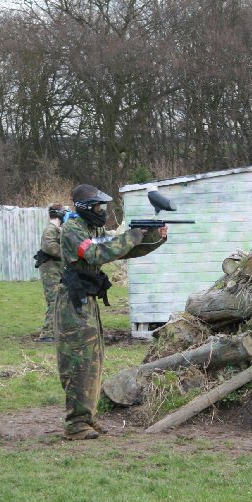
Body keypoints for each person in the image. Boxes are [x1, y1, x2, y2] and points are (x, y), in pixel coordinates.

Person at [55, 184, 168, 440]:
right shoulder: (73, 229)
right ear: (85, 207)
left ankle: (86, 417)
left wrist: (154, 238)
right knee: (79, 362)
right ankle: (75, 424)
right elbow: (97, 254)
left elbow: (120, 249)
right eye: (97, 206)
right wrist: (134, 234)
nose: (101, 210)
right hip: (73, 303)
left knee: (94, 362)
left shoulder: (92, 228)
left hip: (87, 301)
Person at [35, 203, 67, 342]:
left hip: (56, 269)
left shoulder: (57, 230)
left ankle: (57, 330)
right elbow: (50, 248)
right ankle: (47, 334)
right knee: (54, 300)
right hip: (50, 270)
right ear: (60, 215)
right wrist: (68, 253)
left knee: (61, 299)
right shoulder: (50, 230)